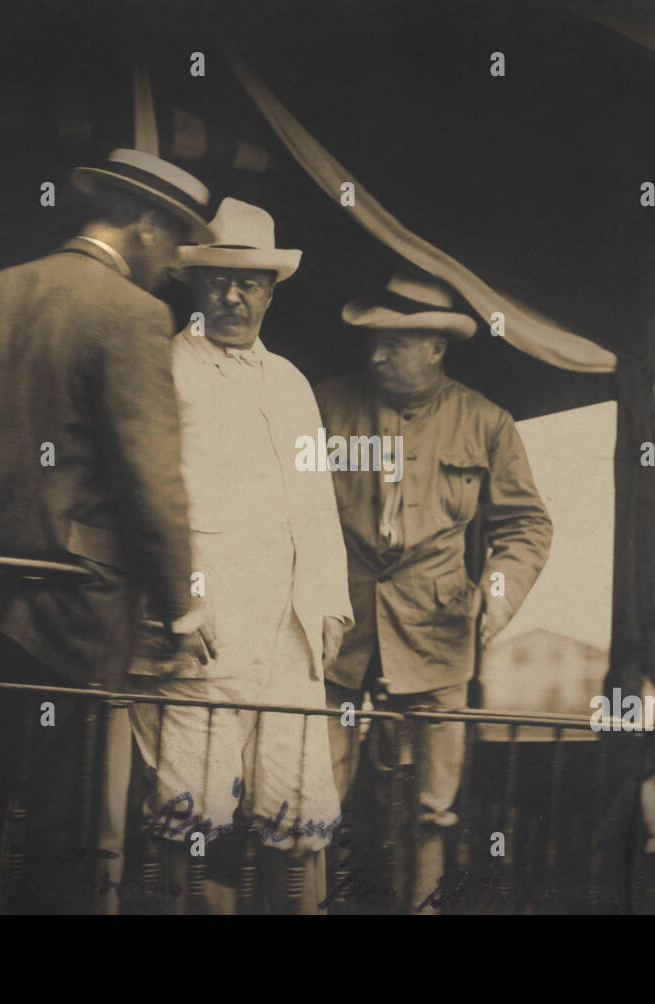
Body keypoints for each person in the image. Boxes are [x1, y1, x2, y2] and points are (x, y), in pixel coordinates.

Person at [0, 148, 216, 913]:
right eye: (175, 244)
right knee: (62, 829)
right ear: (145, 226)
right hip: (67, 613)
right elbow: (150, 478)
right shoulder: (132, 314)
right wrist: (180, 606)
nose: (175, 268)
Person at [116, 198, 353, 914]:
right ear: (194, 284)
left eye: (250, 282)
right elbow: (145, 497)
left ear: (272, 290)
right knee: (188, 816)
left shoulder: (290, 383)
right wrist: (179, 602)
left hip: (289, 637)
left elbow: (316, 503)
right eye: (218, 279)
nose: (233, 295)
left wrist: (330, 602)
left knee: (296, 819)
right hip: (202, 633)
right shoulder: (164, 369)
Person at [314, 270, 553, 911]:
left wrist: (496, 600)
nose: (375, 353)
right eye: (372, 340)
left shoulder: (487, 423)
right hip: (336, 631)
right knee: (314, 795)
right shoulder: (323, 406)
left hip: (438, 632)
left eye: (394, 341)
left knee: (432, 809)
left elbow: (527, 525)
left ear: (437, 348)